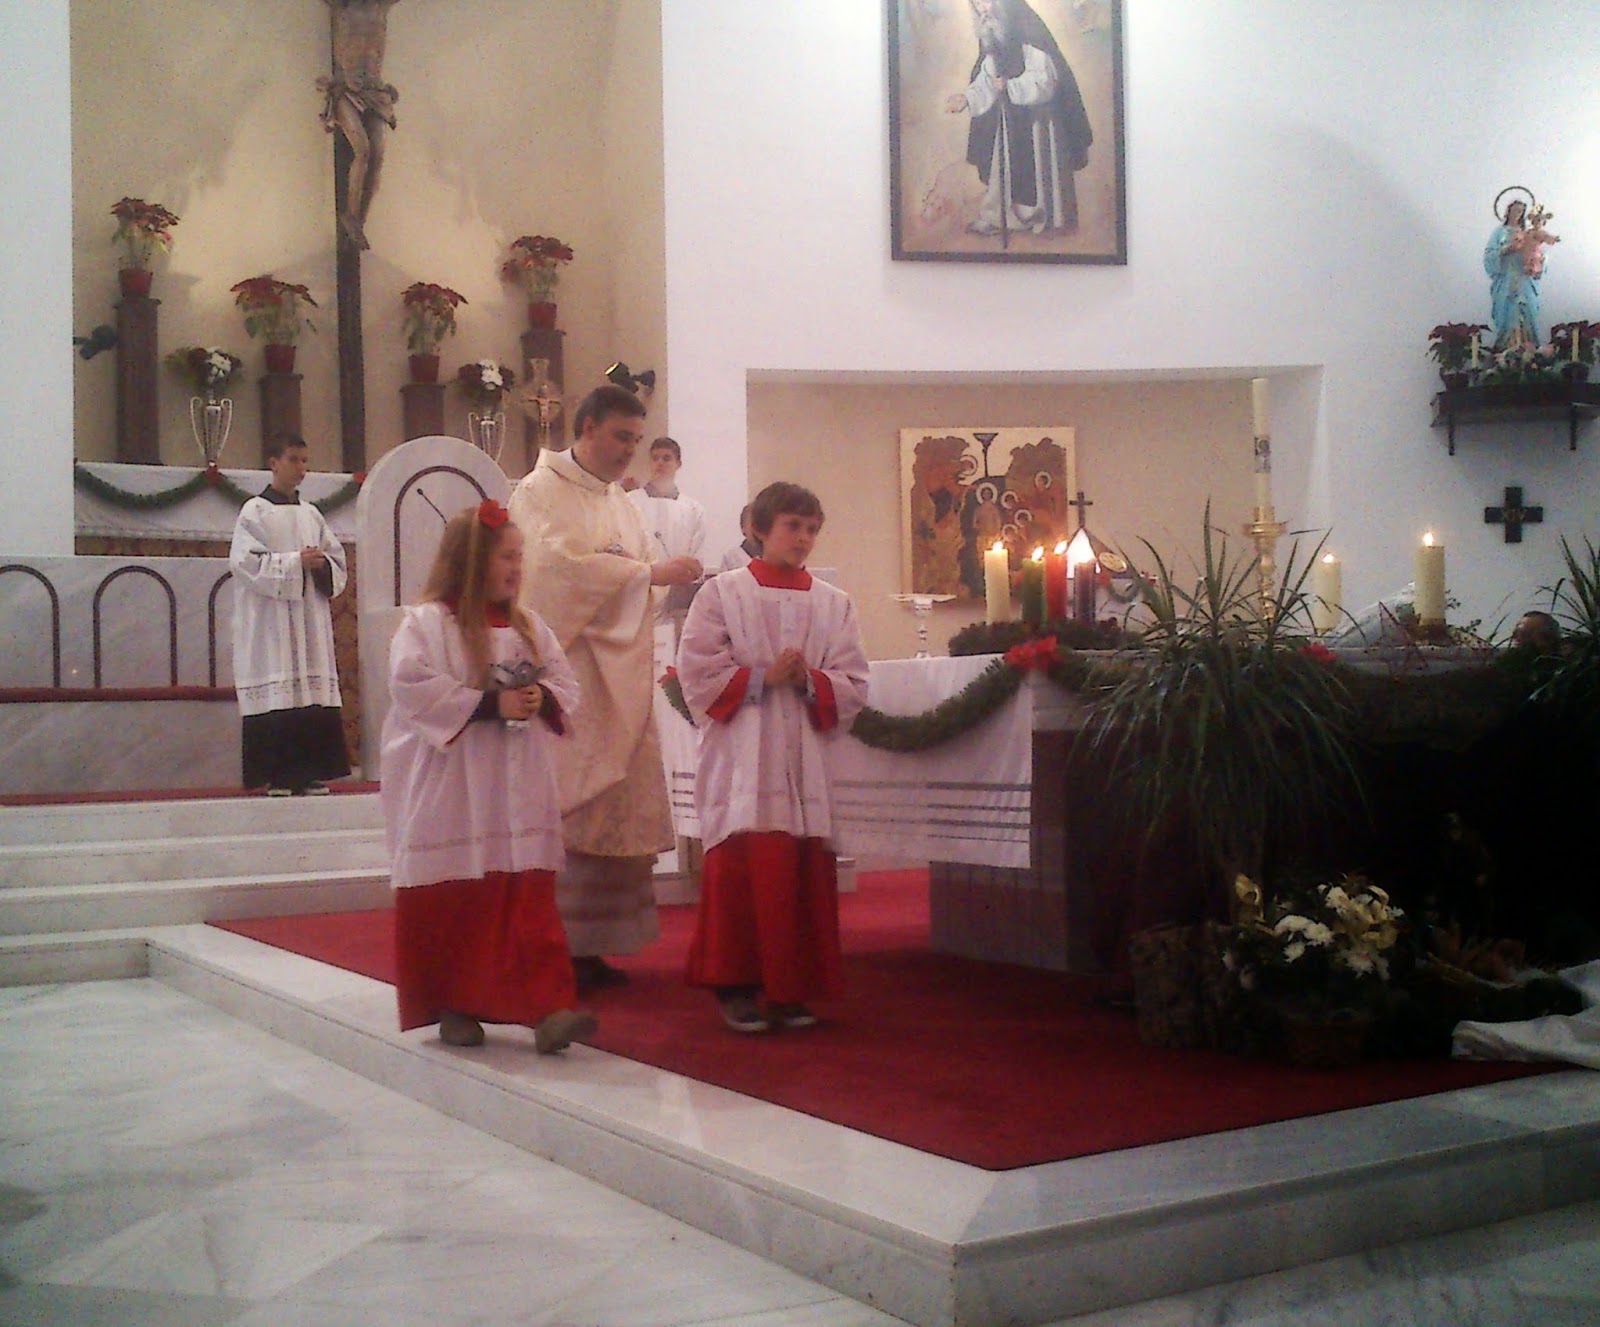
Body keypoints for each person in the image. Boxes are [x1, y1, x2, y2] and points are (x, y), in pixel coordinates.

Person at [380, 500, 595, 1052]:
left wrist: (538, 695)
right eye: (506, 557)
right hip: (454, 783)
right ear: (471, 561)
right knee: (459, 896)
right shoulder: (428, 624)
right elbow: (410, 685)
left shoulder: (529, 627)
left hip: (516, 781)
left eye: (520, 558)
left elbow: (567, 686)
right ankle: (454, 1003)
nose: (516, 569)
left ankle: (549, 1009)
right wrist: (487, 706)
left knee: (526, 893)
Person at [508, 385, 702, 990]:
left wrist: (650, 576)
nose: (630, 452)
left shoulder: (621, 501)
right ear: (586, 427)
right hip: (570, 675)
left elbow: (634, 572)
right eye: (622, 437)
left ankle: (592, 944)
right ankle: (554, 944)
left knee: (614, 807)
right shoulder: (537, 491)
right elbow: (549, 574)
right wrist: (647, 573)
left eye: (637, 441)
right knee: (574, 804)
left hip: (621, 673)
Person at [676, 481, 870, 1033]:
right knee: (744, 866)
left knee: (800, 867)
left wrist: (809, 680)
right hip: (744, 752)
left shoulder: (834, 603)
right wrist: (763, 677)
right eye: (792, 526)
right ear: (758, 528)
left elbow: (854, 680)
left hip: (804, 754)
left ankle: (790, 988)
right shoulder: (722, 593)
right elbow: (697, 670)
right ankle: (735, 985)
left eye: (812, 529)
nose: (804, 539)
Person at [229, 432, 351, 796]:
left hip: (308, 619)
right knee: (279, 689)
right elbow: (244, 563)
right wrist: (295, 562)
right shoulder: (254, 511)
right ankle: (277, 775)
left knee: (308, 690)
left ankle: (309, 772)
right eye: (294, 459)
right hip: (271, 621)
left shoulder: (311, 514)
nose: (302, 468)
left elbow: (337, 560)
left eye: (305, 461)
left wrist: (320, 565)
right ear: (273, 463)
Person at [945, 0, 1093, 239]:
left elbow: (1046, 79)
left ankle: (1043, 217)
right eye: (976, 5)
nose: (983, 10)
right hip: (1007, 117)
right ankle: (998, 217)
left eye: (985, 2)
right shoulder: (993, 32)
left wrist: (1012, 86)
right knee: (1003, 163)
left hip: (1038, 118)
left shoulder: (1027, 26)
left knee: (1037, 166)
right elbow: (987, 77)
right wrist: (967, 98)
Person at [319, 0, 400, 250]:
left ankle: (358, 221)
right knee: (362, 150)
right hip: (346, 89)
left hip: (374, 91)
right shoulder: (341, 7)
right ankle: (350, 216)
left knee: (377, 157)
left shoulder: (381, 6)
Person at [1484, 195, 1559, 351]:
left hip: (1525, 279)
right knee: (1507, 313)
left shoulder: (1529, 233)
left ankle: (1530, 351)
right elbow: (1489, 256)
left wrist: (1541, 259)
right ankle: (1505, 351)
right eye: (1515, 210)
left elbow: (1538, 251)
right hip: (1507, 281)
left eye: (1521, 211)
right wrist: (1505, 250)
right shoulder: (1499, 232)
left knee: (1528, 311)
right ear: (1508, 211)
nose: (1517, 214)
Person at [716, 503, 763, 573]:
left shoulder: (773, 556)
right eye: (753, 524)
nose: (757, 529)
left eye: (761, 524)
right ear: (742, 527)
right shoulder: (731, 556)